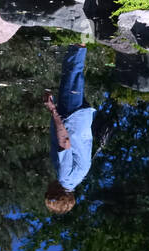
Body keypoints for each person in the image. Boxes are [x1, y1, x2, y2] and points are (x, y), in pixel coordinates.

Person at [42, 43, 107, 215]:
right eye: (48, 193)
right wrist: (52, 110)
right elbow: (64, 141)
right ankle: (80, 35)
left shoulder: (78, 178)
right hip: (70, 117)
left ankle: (79, 38)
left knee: (74, 75)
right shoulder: (65, 177)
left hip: (81, 119)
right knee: (72, 73)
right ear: (55, 193)